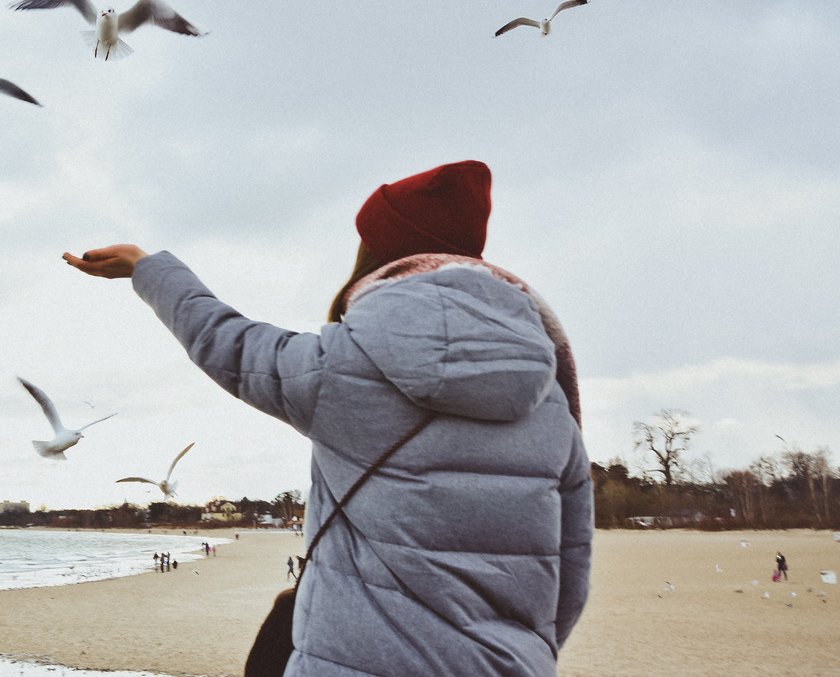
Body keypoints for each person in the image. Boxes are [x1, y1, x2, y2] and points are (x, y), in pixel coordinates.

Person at [65, 160, 593, 676]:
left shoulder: (339, 369)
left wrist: (146, 266)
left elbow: (223, 340)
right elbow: (570, 577)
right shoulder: (551, 404)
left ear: (378, 250)